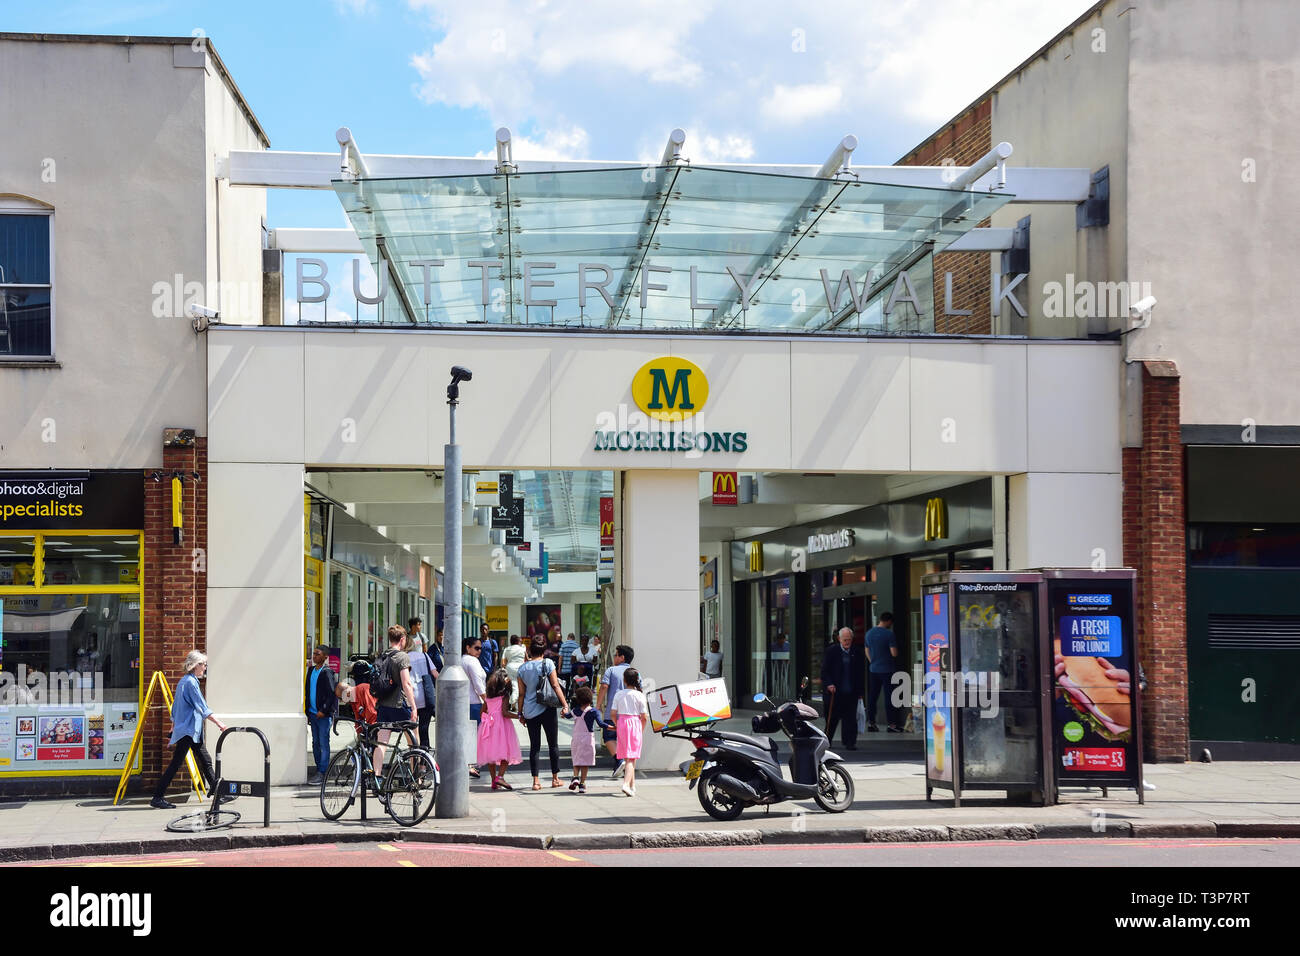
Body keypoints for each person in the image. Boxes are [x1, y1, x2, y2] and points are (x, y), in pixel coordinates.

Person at [150, 650, 227, 809]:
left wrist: (173, 726)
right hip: (189, 731)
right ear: (195, 665)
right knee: (181, 764)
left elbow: (176, 708)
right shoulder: (190, 683)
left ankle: (217, 793)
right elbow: (202, 708)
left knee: (204, 761)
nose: (205, 668)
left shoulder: (184, 681)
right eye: (203, 664)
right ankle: (157, 797)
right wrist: (219, 723)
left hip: (189, 730)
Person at [517, 634, 572, 790]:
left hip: (529, 710)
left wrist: (520, 714)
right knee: (552, 744)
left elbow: (521, 694)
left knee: (535, 746)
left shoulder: (522, 668)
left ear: (530, 650)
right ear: (543, 650)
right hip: (547, 708)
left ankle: (535, 781)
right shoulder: (548, 663)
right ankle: (555, 779)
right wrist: (565, 704)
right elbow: (555, 685)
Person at [372, 625, 418, 778]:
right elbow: (406, 683)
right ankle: (415, 778)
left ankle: (376, 778)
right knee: (413, 742)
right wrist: (413, 707)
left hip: (383, 706)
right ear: (402, 639)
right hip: (399, 705)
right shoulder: (402, 657)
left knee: (381, 743)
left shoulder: (382, 655)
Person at [820, 627, 866, 751]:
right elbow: (824, 671)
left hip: (851, 691)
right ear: (839, 639)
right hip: (834, 692)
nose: (847, 642)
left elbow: (861, 673)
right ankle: (826, 742)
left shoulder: (857, 652)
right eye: (845, 640)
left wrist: (861, 691)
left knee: (850, 719)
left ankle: (850, 742)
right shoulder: (831, 651)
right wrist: (829, 684)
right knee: (832, 719)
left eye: (849, 640)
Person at [477, 668, 521, 789]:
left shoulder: (488, 696)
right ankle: (500, 777)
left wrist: (488, 719)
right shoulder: (504, 696)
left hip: (489, 726)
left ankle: (493, 780)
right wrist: (519, 716)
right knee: (506, 752)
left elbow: (482, 712)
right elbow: (505, 713)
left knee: (491, 754)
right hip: (502, 726)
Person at [610, 667, 648, 797]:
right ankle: (626, 784)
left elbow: (613, 713)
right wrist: (641, 728)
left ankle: (632, 785)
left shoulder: (619, 694)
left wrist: (617, 724)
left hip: (622, 723)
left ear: (624, 680)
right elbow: (644, 716)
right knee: (631, 757)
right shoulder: (639, 695)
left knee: (629, 755)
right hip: (635, 723)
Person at [566, 686, 612, 793]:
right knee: (585, 762)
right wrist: (612, 727)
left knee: (576, 760)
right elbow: (601, 724)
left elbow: (567, 716)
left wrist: (563, 713)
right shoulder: (594, 712)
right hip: (587, 739)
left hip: (576, 738)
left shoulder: (575, 710)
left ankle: (575, 777)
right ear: (590, 698)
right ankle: (582, 784)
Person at [597, 644, 634, 776]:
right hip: (630, 714)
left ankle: (619, 760)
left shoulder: (611, 670)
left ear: (622, 657)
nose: (614, 657)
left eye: (615, 654)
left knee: (608, 737)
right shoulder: (635, 672)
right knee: (624, 740)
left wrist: (598, 706)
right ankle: (625, 771)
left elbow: (604, 687)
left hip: (612, 712)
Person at [304, 644, 338, 785]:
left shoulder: (327, 672)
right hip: (312, 713)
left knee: (323, 743)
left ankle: (322, 772)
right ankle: (319, 769)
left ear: (325, 657)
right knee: (315, 743)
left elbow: (331, 694)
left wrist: (323, 710)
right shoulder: (311, 670)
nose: (314, 656)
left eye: (318, 654)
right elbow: (307, 690)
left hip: (322, 715)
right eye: (314, 653)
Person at [864, 612, 902, 732]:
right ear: (889, 621)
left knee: (872, 697)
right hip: (887, 670)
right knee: (889, 697)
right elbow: (894, 653)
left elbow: (867, 650)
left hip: (874, 669)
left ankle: (871, 723)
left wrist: (873, 662)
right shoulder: (889, 634)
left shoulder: (869, 633)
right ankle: (892, 724)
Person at [462, 634, 488, 778]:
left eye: (480, 648)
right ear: (468, 648)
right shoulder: (472, 661)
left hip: (464, 702)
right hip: (474, 703)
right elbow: (478, 685)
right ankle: (471, 764)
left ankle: (468, 763)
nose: (479, 651)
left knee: (468, 734)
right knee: (474, 735)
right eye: (476, 648)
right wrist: (487, 701)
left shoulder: (461, 660)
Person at [408, 634, 438, 749]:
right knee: (423, 729)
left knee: (412, 730)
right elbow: (435, 674)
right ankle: (423, 763)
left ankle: (414, 756)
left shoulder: (404, 657)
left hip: (411, 697)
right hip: (425, 696)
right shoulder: (424, 656)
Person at [501, 634, 527, 707]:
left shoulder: (507, 649)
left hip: (510, 668)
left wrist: (504, 669)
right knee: (518, 686)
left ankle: (513, 704)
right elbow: (527, 659)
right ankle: (512, 702)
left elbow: (503, 662)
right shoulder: (522, 648)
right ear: (517, 641)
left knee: (514, 686)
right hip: (521, 668)